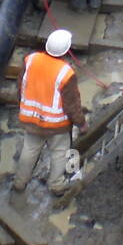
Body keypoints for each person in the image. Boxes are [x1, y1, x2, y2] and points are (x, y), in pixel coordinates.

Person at [13, 29, 85, 196]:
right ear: (66, 50)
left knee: (29, 149)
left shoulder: (30, 60)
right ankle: (56, 185)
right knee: (59, 152)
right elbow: (72, 104)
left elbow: (20, 87)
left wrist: (23, 106)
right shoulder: (66, 73)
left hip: (31, 120)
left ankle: (19, 182)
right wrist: (81, 123)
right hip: (56, 125)